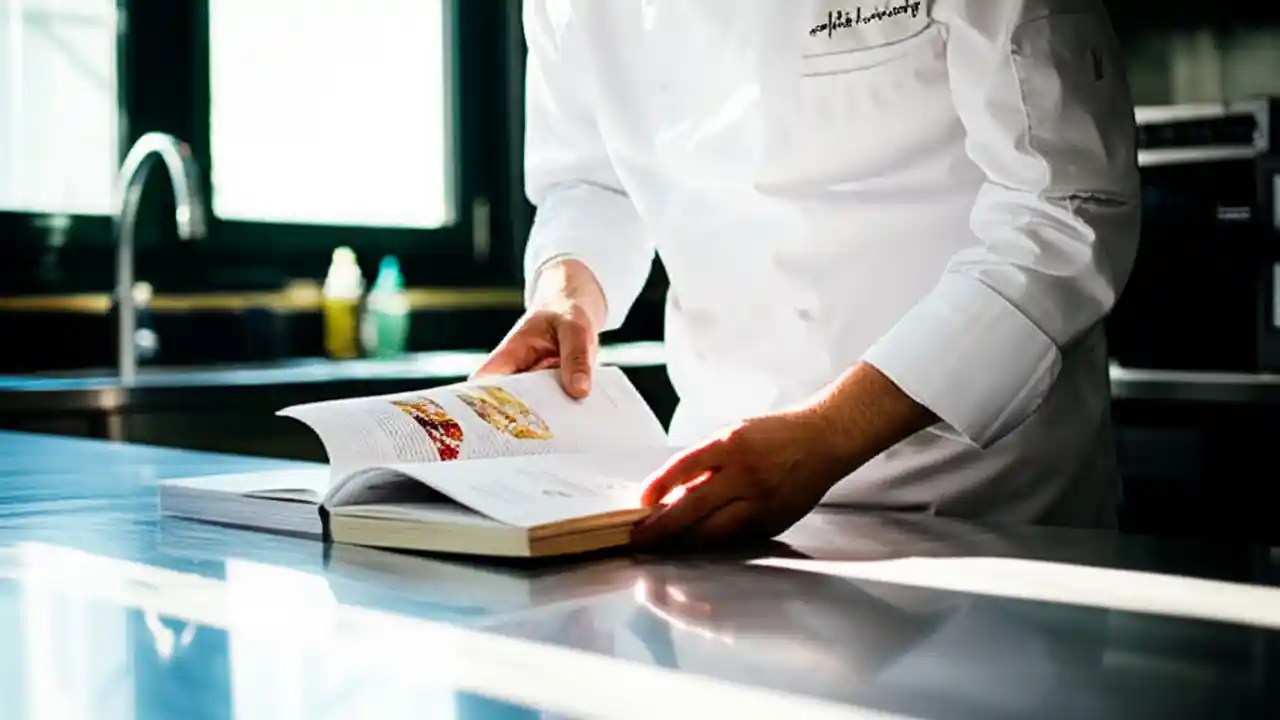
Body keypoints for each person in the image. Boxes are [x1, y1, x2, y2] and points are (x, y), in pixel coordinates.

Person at [477, 0, 1141, 548]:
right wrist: (568, 289)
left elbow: (1065, 209)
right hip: (719, 496)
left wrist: (831, 433)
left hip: (982, 507)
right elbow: (591, 183)